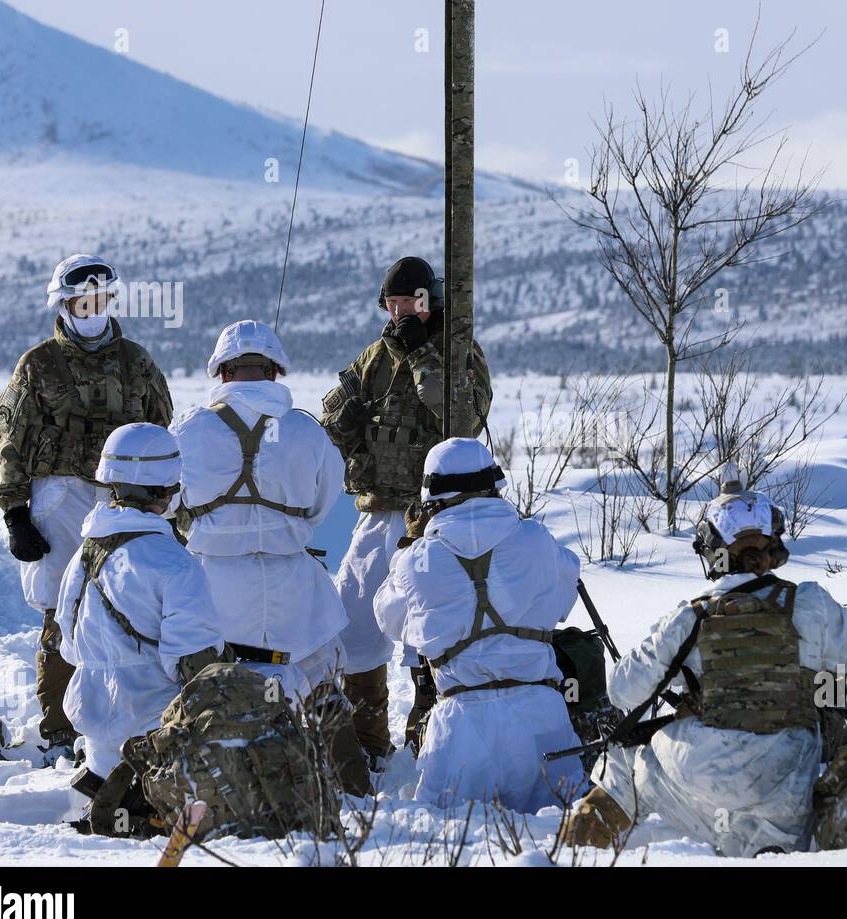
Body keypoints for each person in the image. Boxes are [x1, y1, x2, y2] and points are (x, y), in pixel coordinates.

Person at [563, 481, 847, 856]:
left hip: (704, 791)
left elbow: (622, 690)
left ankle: (571, 854)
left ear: (711, 552)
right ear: (774, 548)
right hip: (788, 803)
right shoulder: (813, 605)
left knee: (624, 763)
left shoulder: (689, 618)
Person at [170, 320, 369, 795]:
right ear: (276, 372)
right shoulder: (306, 430)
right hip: (293, 583)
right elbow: (324, 505)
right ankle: (349, 784)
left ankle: (211, 782)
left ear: (221, 374)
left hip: (214, 586)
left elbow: (170, 501)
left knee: (207, 685)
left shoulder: (188, 430)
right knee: (318, 681)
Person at [0, 254, 173, 763]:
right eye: (81, 301)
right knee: (61, 608)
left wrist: (169, 500)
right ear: (64, 303)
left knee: (134, 603)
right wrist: (15, 511)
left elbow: (163, 426)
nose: (91, 309)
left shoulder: (137, 361)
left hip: (127, 497)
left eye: (100, 300)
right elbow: (12, 437)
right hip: (60, 495)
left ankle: (134, 721)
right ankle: (58, 728)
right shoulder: (38, 364)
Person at [321, 256, 492, 763]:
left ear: (430, 301)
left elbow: (464, 419)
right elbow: (331, 428)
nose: (399, 313)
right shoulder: (373, 357)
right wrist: (344, 416)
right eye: (392, 304)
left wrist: (422, 359)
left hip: (439, 517)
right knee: (353, 622)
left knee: (430, 627)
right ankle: (368, 740)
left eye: (409, 303)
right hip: (378, 513)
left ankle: (429, 733)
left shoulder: (456, 352)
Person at [373, 438, 585, 812]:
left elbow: (389, 617)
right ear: (494, 486)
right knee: (563, 836)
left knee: (452, 842)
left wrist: (411, 544)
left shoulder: (416, 560)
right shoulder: (537, 540)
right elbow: (565, 595)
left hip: (461, 734)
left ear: (429, 499)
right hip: (543, 724)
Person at [56, 423, 223, 832]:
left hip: (98, 752)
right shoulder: (176, 564)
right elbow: (195, 668)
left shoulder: (80, 557)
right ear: (168, 487)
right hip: (157, 754)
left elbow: (68, 646)